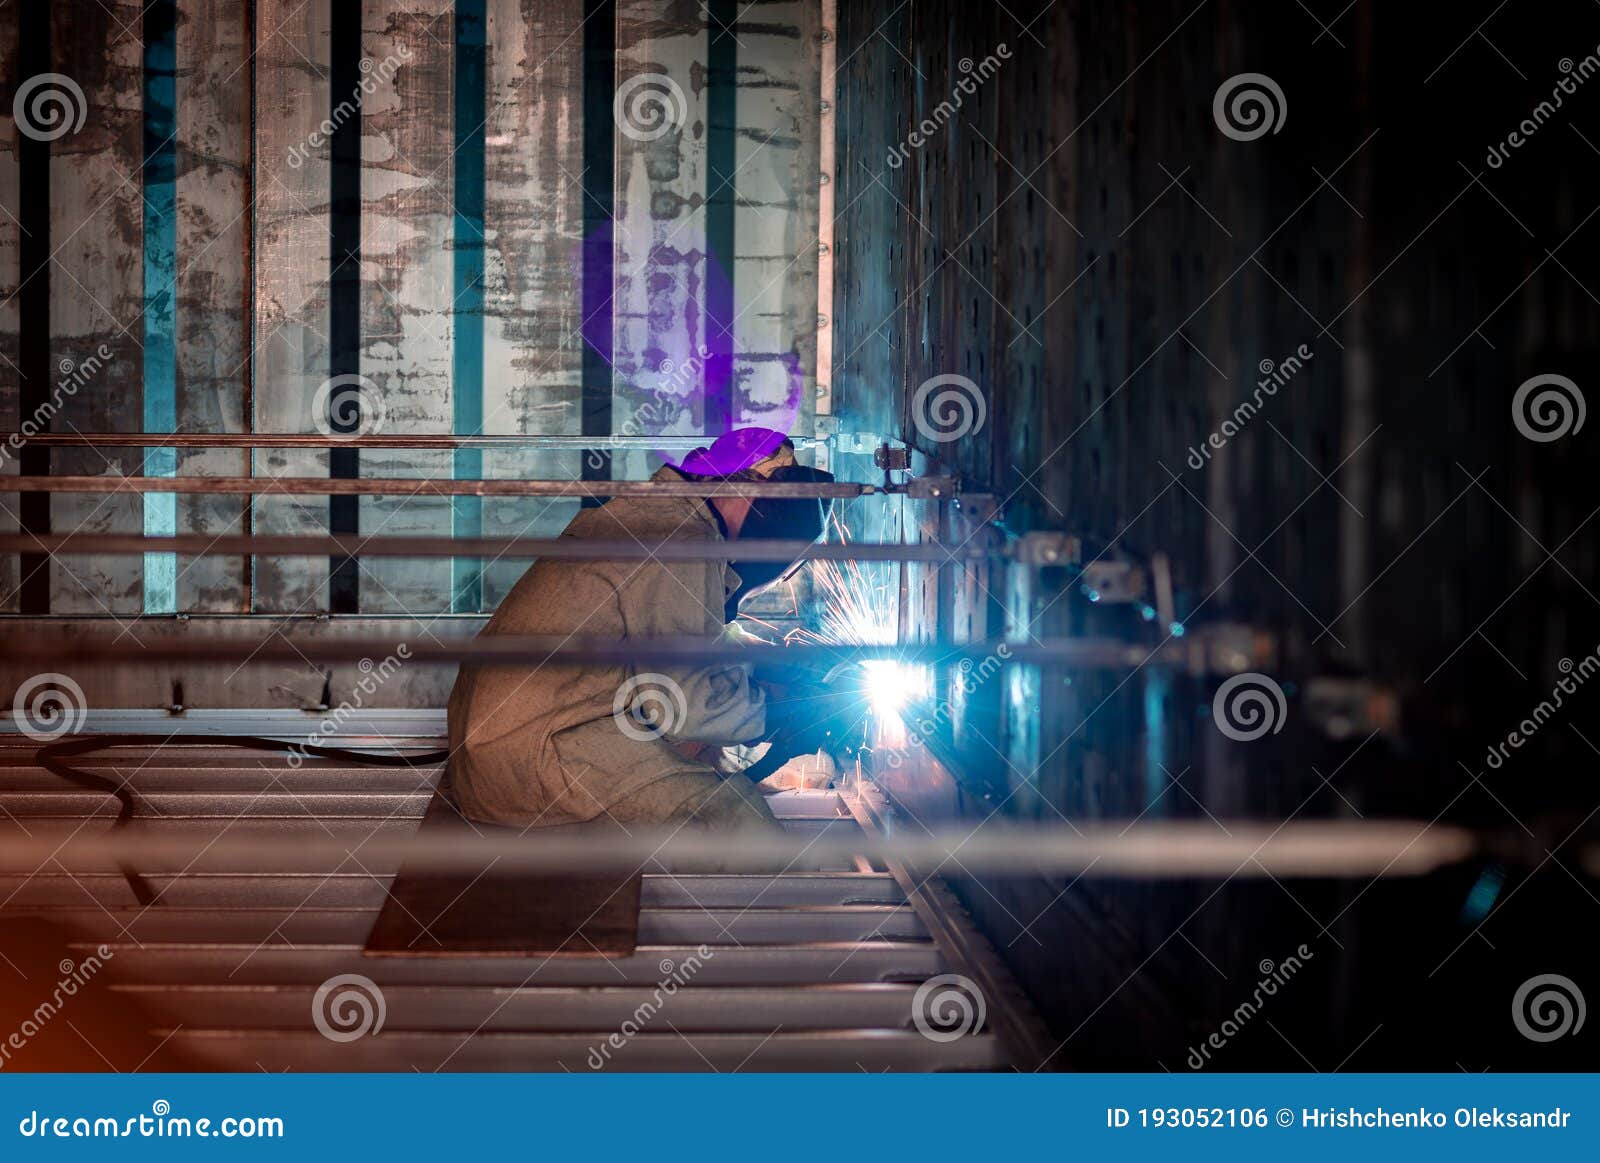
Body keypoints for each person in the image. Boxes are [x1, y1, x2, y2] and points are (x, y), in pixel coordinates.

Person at [446, 428, 836, 840]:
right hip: (534, 763)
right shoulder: (681, 539)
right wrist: (784, 709)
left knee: (710, 769)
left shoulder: (661, 516)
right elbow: (693, 709)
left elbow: (696, 640)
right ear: (740, 485)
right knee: (736, 824)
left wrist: (779, 666)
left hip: (503, 749)